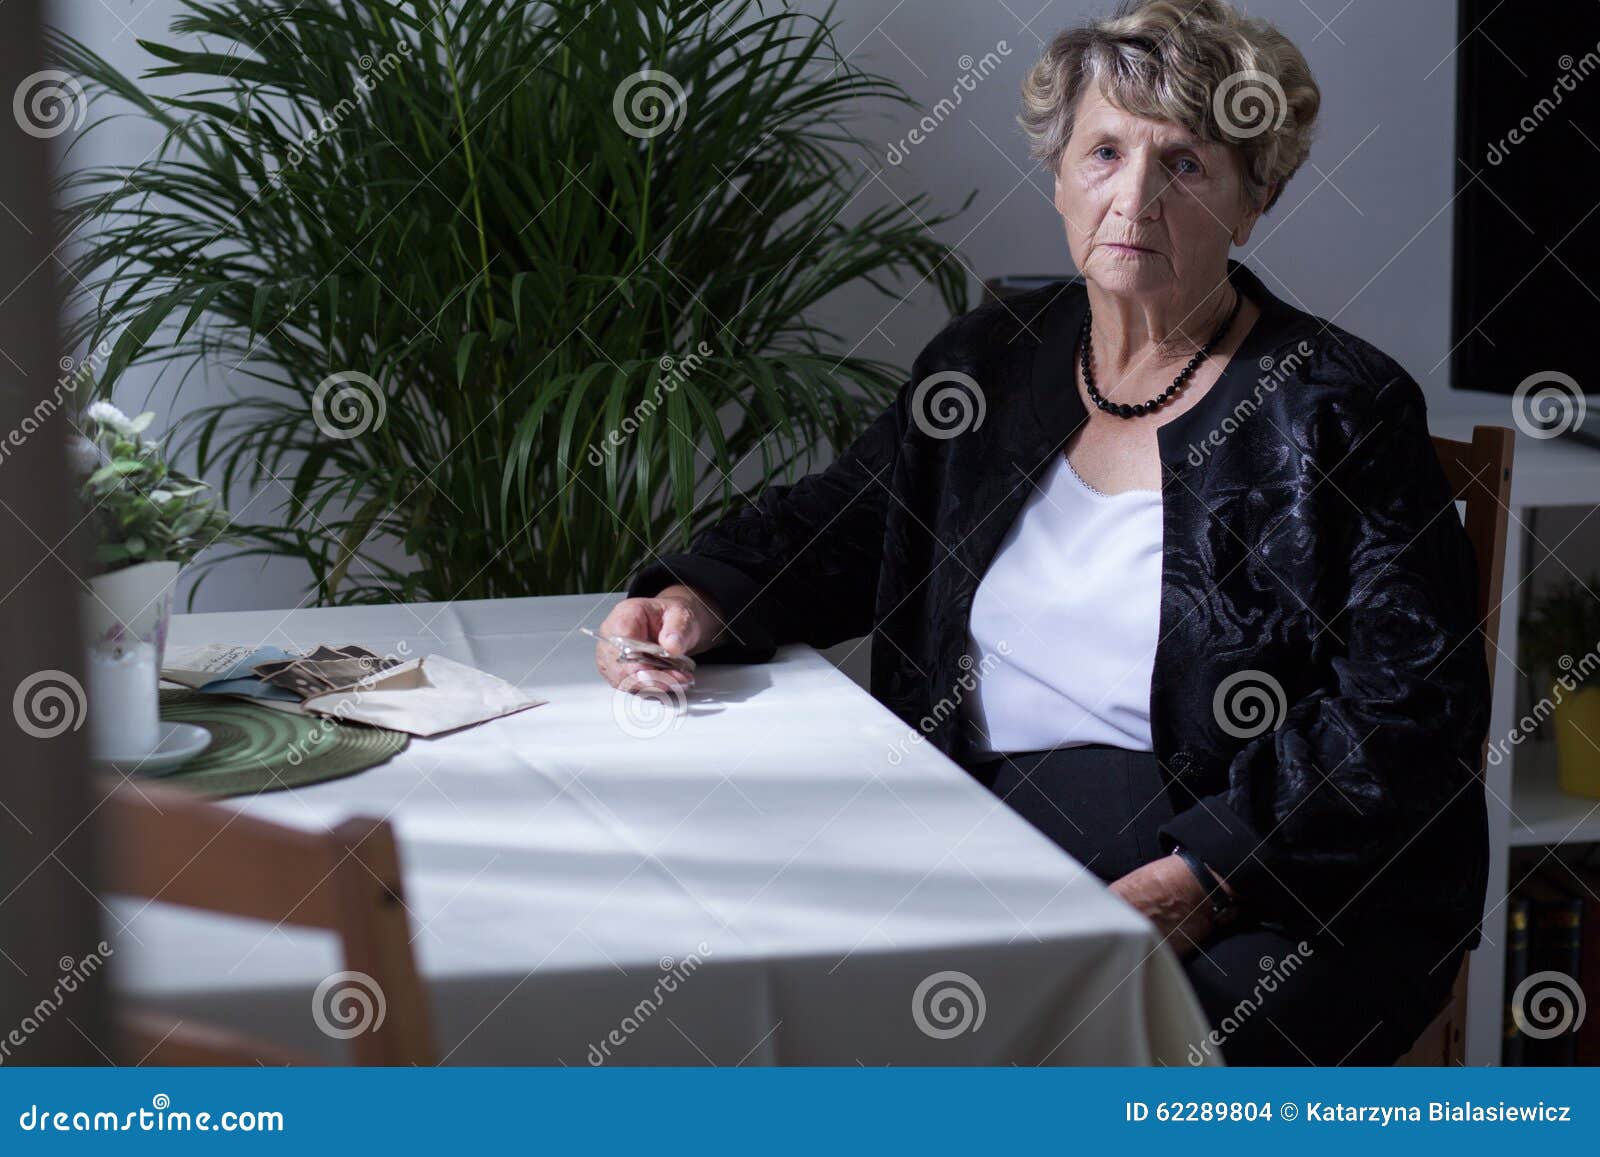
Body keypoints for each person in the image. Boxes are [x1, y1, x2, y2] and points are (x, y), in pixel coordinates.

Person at [594, 0, 1490, 1065]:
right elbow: (848, 522)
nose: (1134, 198)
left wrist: (1205, 873)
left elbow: (1408, 710)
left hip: (1279, 868)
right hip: (987, 822)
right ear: (1059, 174)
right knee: (753, 971)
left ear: (1256, 200)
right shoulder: (988, 361)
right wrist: (697, 596)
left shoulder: (1335, 405)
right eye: (1104, 152)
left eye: (1186, 164)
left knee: (1114, 1050)